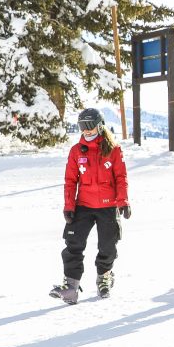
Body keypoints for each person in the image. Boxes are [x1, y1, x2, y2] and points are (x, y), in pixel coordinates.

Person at [50, 109, 130, 305]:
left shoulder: (113, 150)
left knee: (108, 246)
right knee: (73, 245)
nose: (86, 130)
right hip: (83, 205)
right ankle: (70, 287)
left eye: (89, 125)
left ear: (100, 125)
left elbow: (121, 178)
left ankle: (104, 276)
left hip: (108, 206)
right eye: (82, 126)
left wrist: (123, 201)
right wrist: (69, 206)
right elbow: (70, 180)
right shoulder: (77, 151)